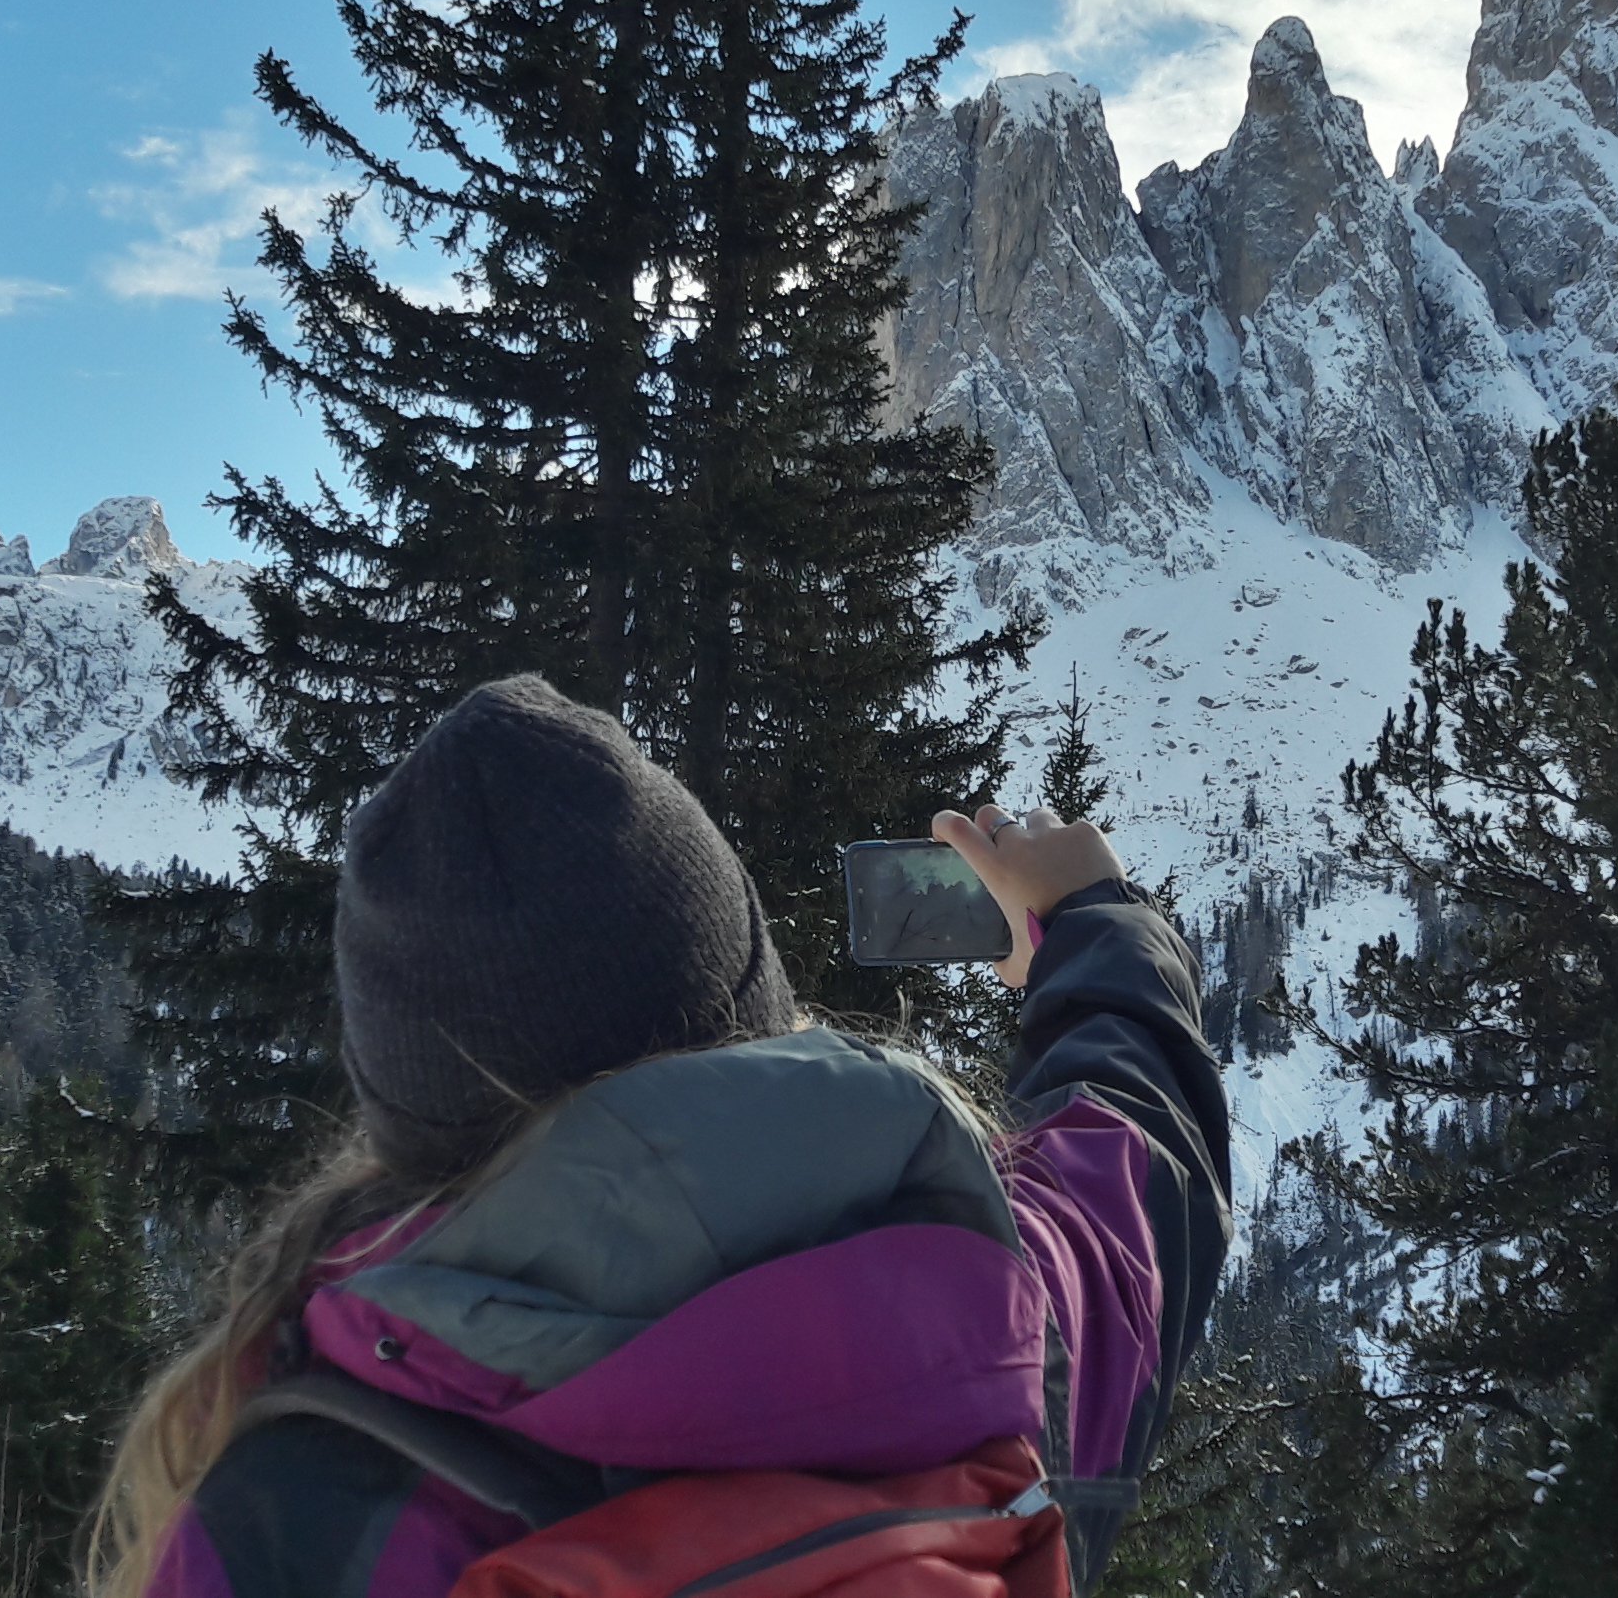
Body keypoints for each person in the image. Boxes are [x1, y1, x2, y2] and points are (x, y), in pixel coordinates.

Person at [91, 675, 1232, 1598]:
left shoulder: (287, 1521)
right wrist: (1090, 922)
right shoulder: (991, 1328)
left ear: (407, 1108)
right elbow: (1139, 1150)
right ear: (751, 1014)